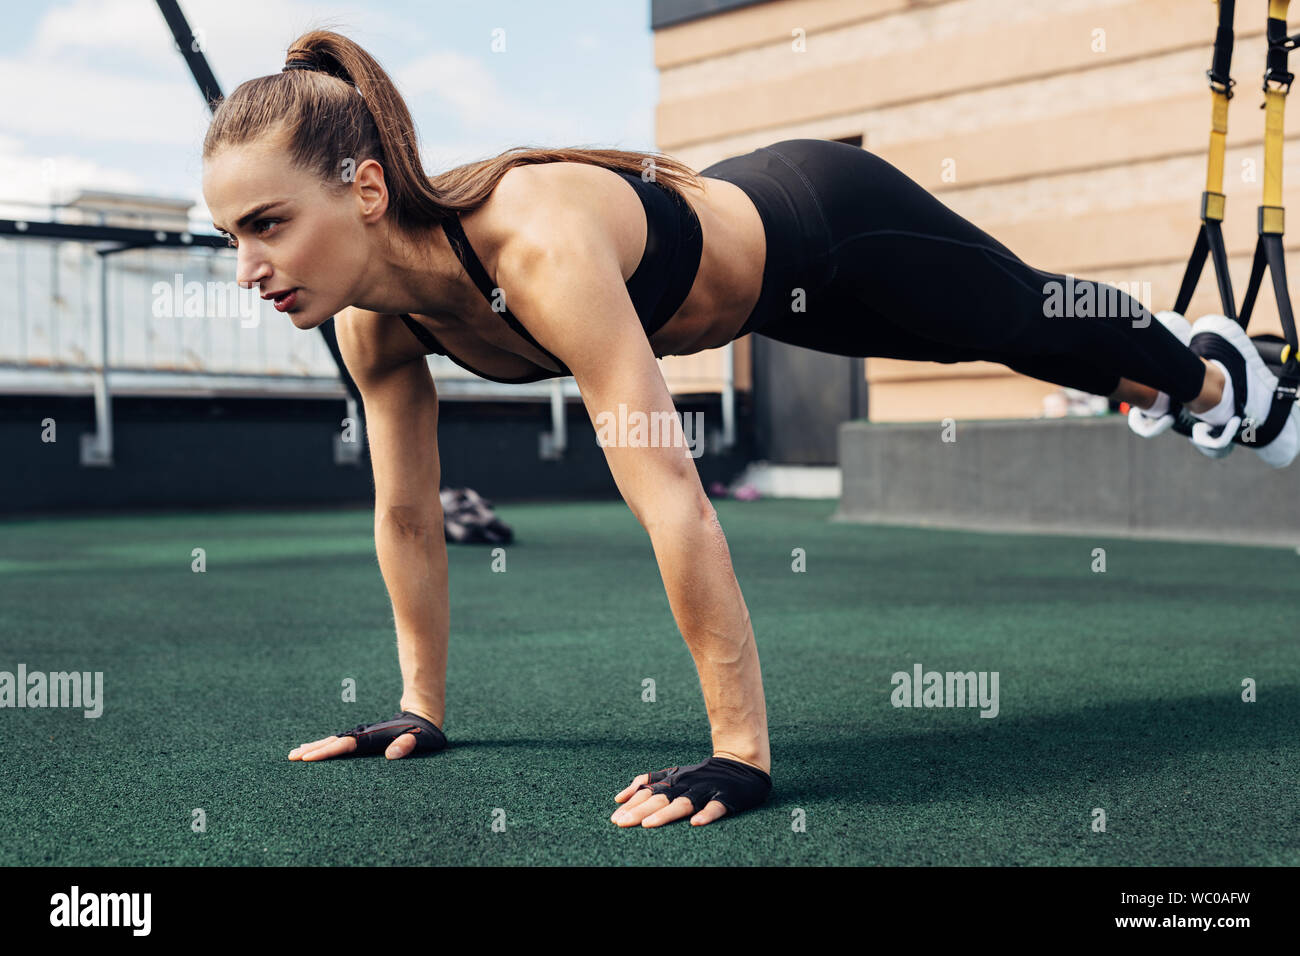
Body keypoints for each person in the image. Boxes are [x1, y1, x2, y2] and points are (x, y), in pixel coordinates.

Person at [202, 30, 1299, 830]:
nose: (249, 269)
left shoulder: (532, 246)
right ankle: (1188, 386)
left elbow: (670, 494)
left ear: (369, 189)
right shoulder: (371, 326)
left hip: (820, 215)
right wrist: (418, 706)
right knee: (1017, 336)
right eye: (230, 236)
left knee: (1023, 319)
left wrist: (739, 753)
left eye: (268, 225)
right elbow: (405, 511)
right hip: (772, 302)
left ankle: (1217, 381)